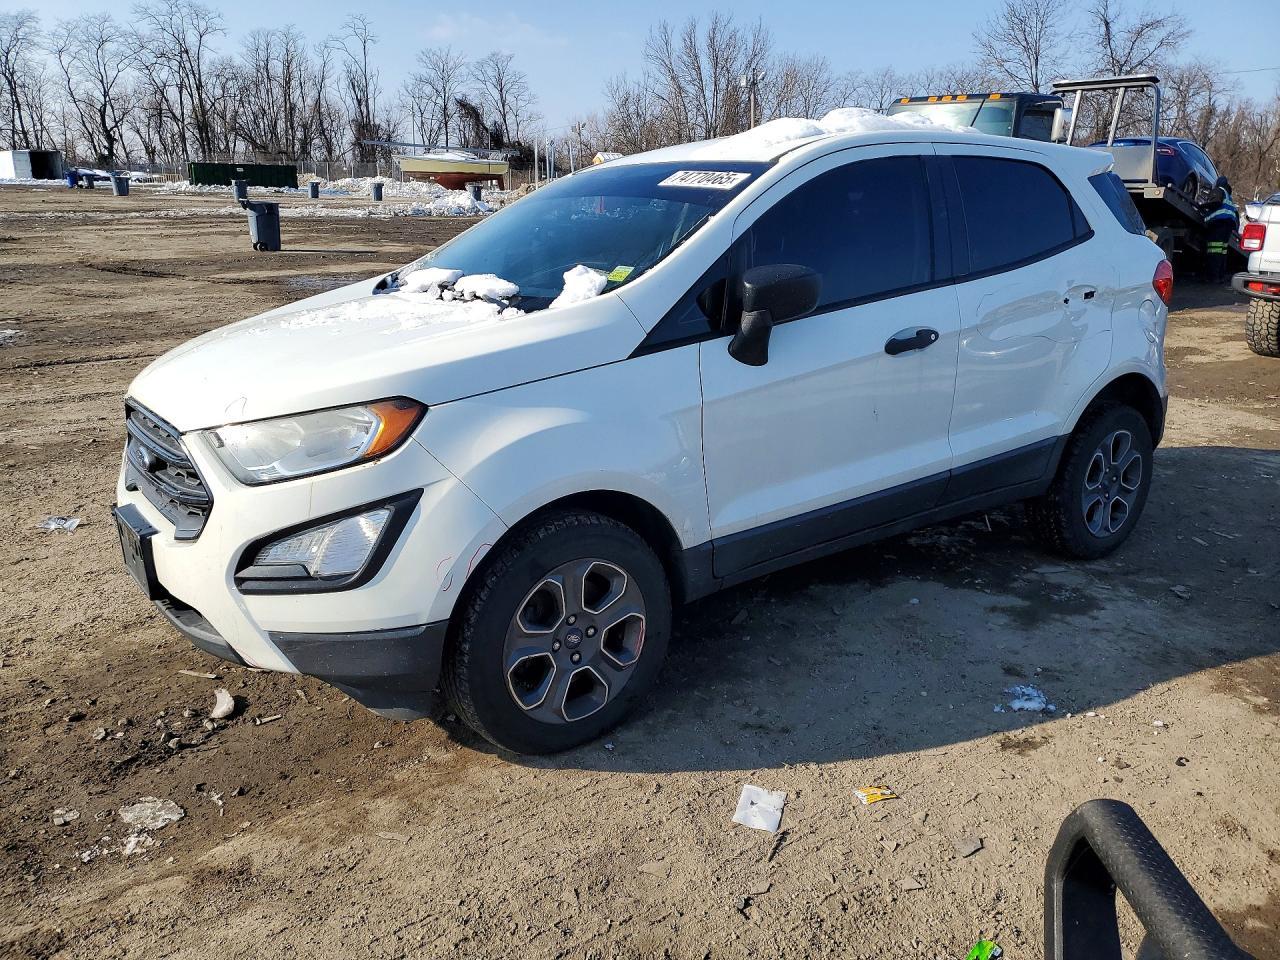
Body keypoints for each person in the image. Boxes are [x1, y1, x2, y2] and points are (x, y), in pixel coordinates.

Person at [1202, 176, 1238, 284]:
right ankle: (1220, 276)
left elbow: (1215, 202)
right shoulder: (1228, 196)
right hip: (1227, 226)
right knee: (1222, 252)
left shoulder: (1218, 190)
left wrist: (1202, 206)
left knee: (1214, 251)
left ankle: (1213, 277)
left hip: (1219, 224)